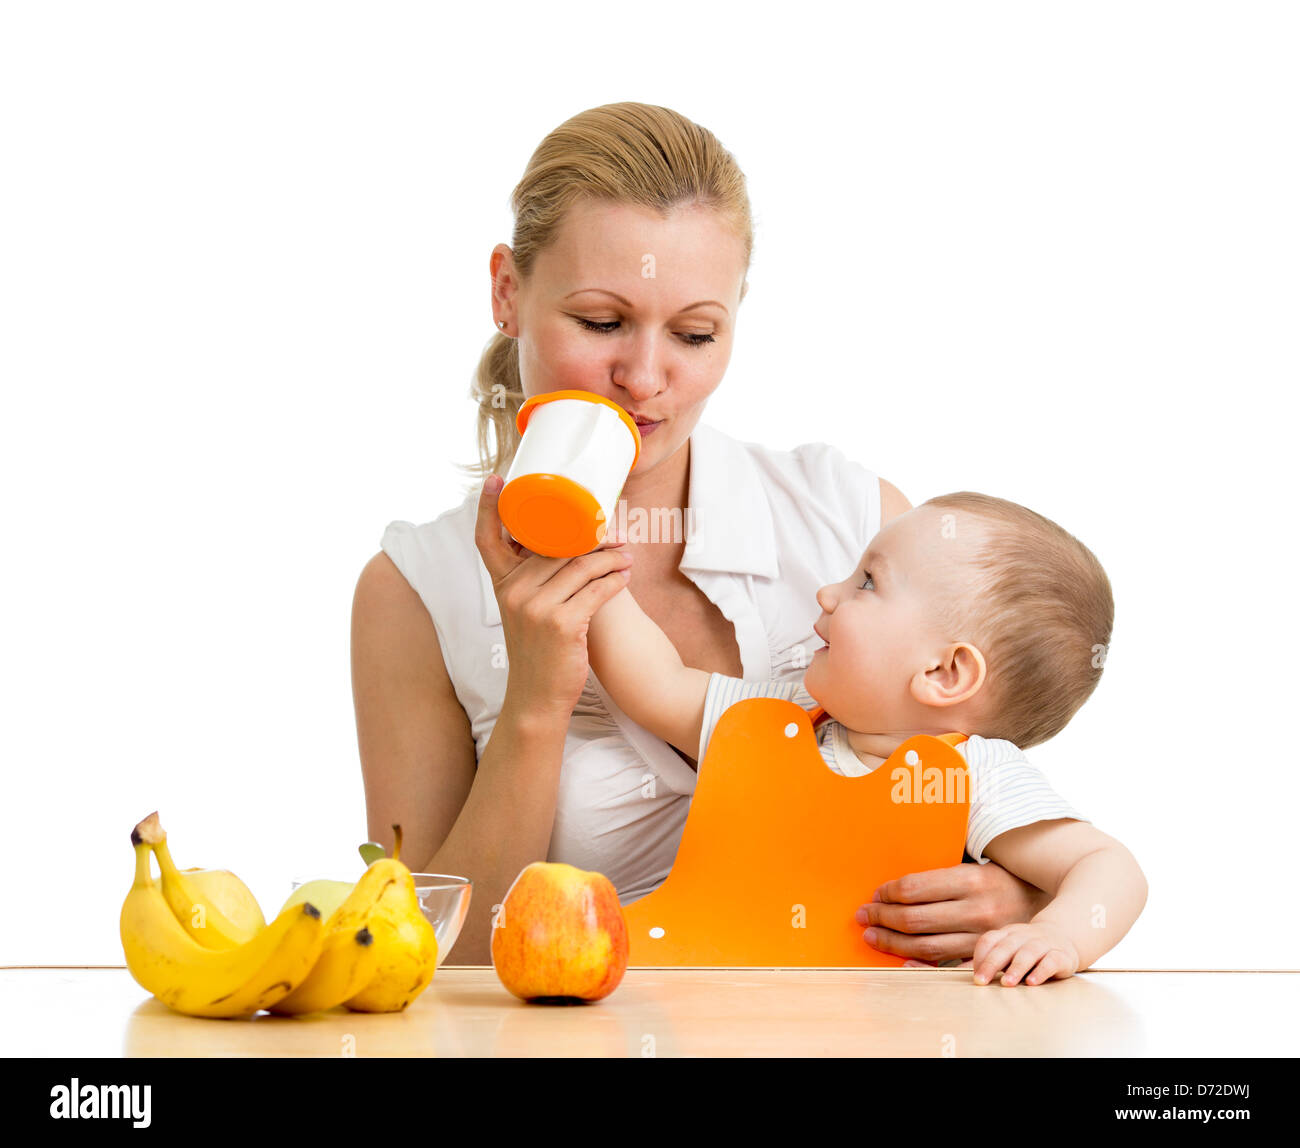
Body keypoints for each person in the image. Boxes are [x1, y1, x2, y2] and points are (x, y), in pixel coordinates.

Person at [352, 101, 1054, 966]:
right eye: (601, 322)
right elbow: (414, 959)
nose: (646, 379)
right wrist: (535, 703)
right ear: (507, 292)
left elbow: (989, 802)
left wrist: (1014, 894)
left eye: (694, 333)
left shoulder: (857, 520)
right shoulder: (414, 591)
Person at [584, 491, 1148, 985]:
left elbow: (1107, 865)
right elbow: (655, 684)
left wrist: (1057, 937)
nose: (829, 593)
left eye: (868, 582)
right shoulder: (783, 717)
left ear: (944, 674)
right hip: (717, 1002)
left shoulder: (974, 773)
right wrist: (591, 557)